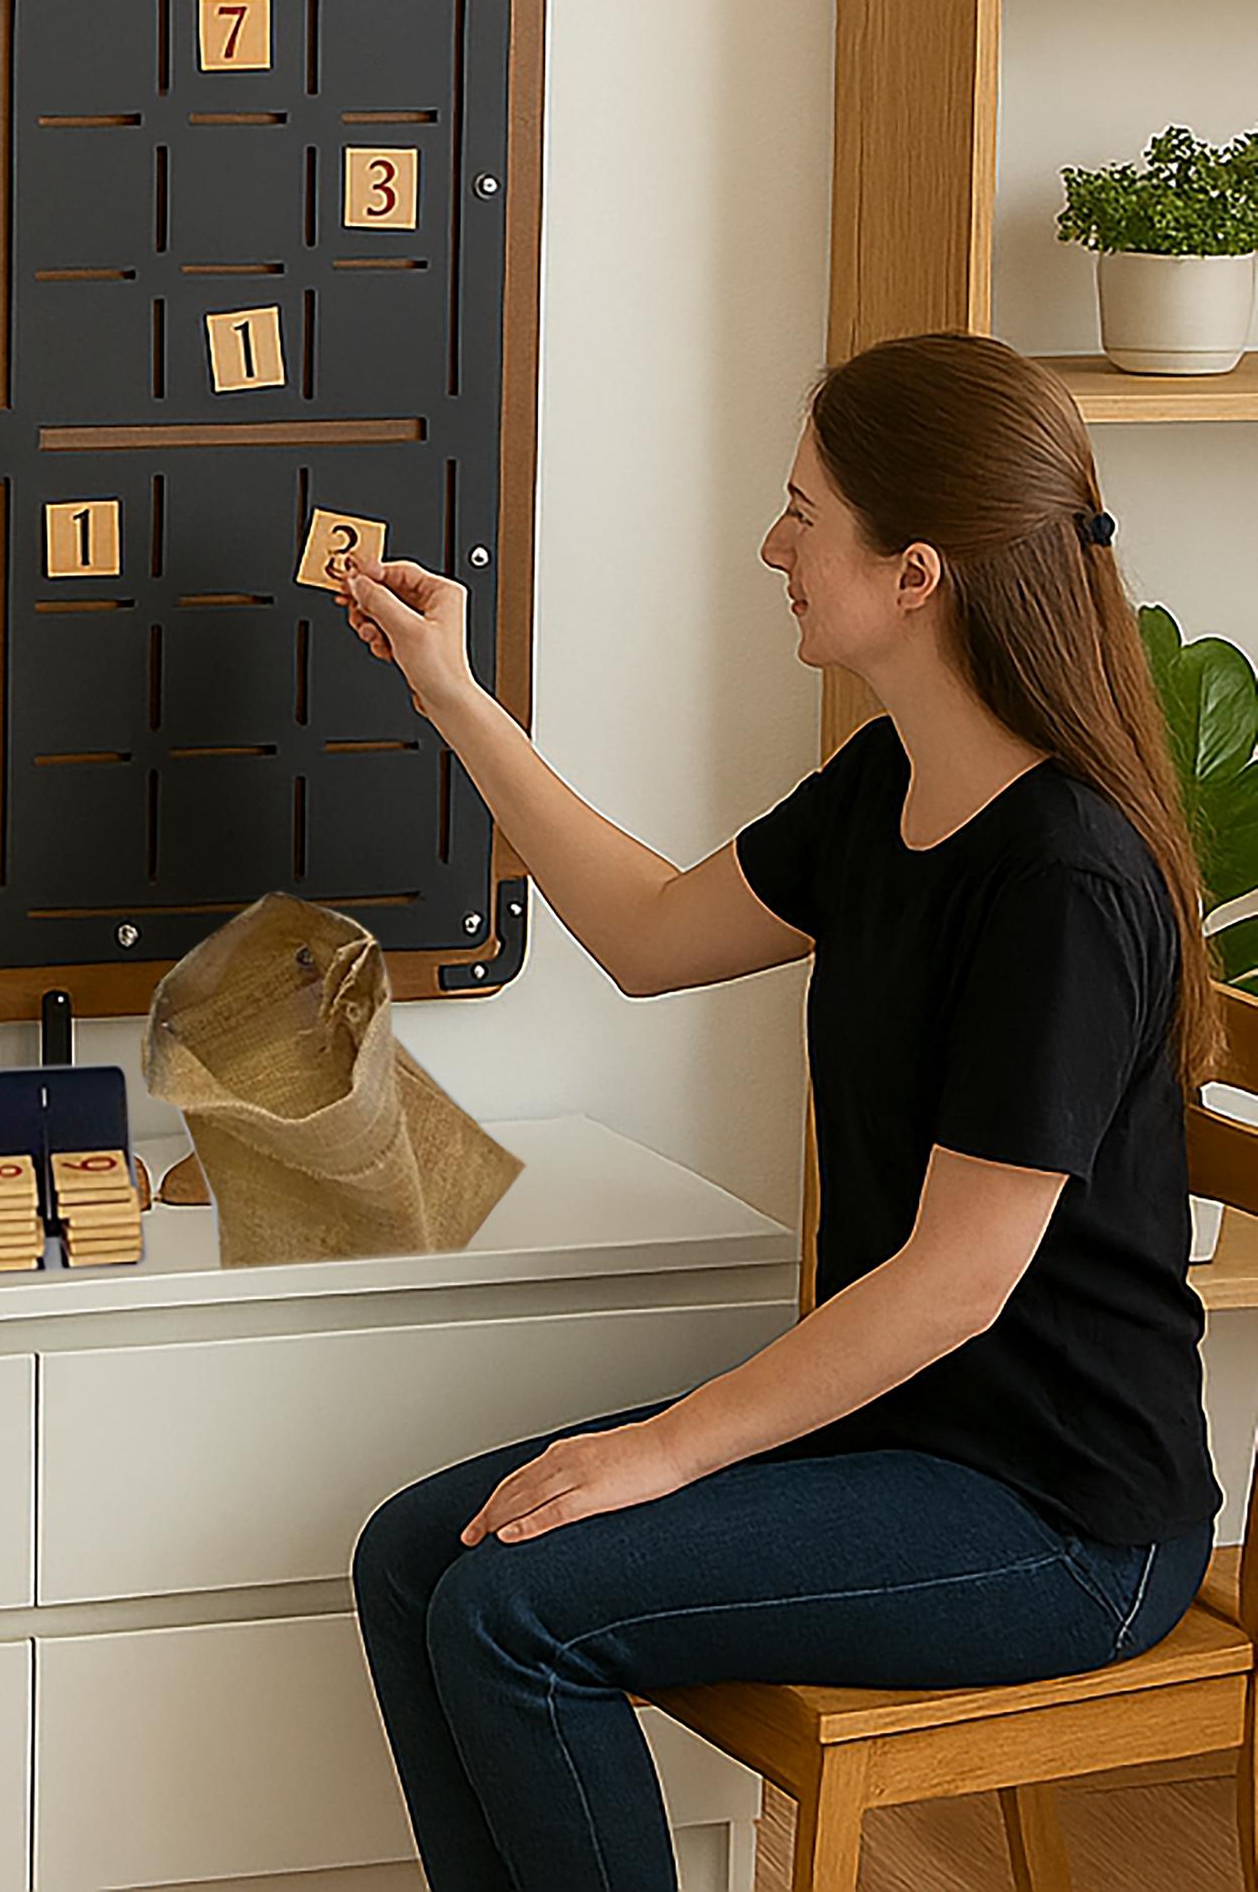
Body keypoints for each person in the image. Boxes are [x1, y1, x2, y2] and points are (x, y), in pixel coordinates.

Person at [342, 330, 1221, 1892]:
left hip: (1066, 1515)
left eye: (804, 512)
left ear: (918, 574)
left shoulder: (1064, 880)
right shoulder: (889, 785)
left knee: (514, 1611)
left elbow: (958, 1283)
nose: (773, 545)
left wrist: (669, 1451)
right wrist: (457, 699)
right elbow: (649, 934)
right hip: (906, 1437)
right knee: (422, 1551)